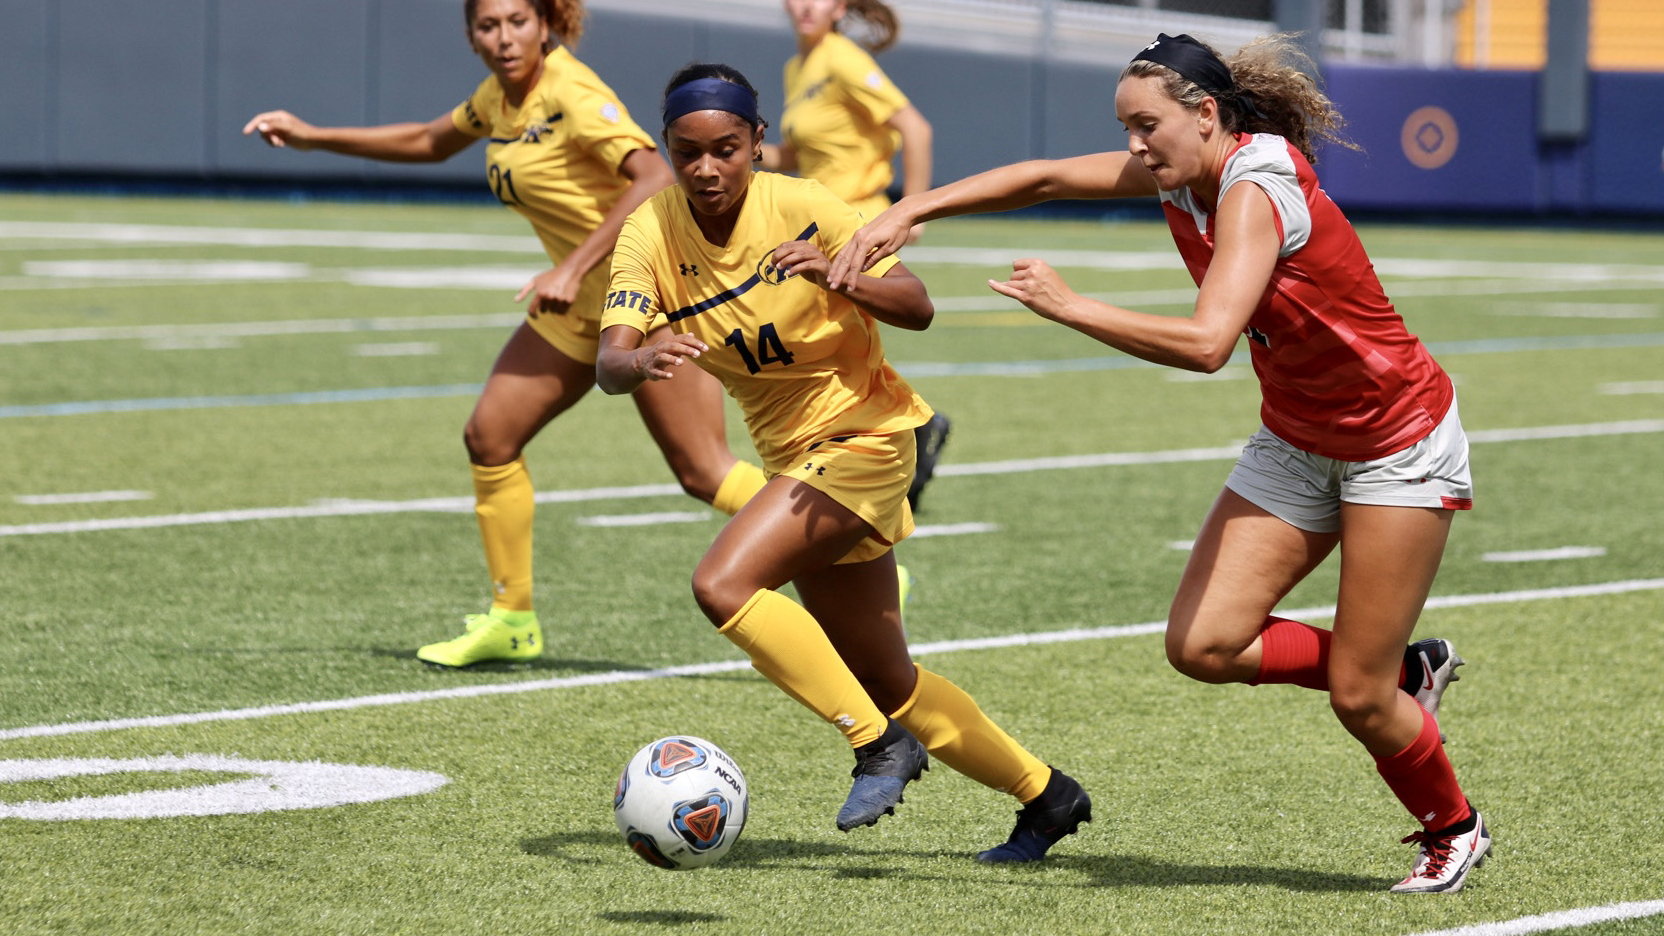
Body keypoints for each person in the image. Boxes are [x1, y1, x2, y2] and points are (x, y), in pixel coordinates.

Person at [831, 33, 1489, 893]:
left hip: (1395, 443)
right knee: (1204, 643)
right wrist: (907, 211)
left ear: (1206, 114)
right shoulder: (1184, 171)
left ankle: (1454, 826)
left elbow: (1210, 343)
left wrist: (1070, 306)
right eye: (1126, 128)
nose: (1134, 147)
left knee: (1358, 702)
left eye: (1147, 126)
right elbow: (1038, 177)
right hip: (1297, 437)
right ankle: (1407, 669)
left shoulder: (1254, 190)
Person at [596, 62, 1090, 861]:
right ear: (669, 150)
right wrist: (640, 358)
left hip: (867, 436)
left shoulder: (804, 206)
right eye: (687, 152)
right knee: (890, 677)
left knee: (721, 584)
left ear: (758, 143)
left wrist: (838, 274)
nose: (707, 168)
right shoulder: (651, 231)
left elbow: (919, 306)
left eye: (726, 148)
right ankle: (1048, 797)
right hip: (795, 459)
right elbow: (608, 363)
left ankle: (877, 746)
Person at [242, 0, 776, 668]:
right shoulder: (499, 97)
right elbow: (430, 142)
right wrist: (314, 136)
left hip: (650, 296)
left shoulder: (573, 92)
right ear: (471, 35)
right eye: (487, 25)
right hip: (578, 301)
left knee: (702, 471)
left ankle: (842, 549)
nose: (503, 37)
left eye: (516, 21)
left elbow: (653, 175)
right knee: (489, 437)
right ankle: (511, 619)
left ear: (546, 23)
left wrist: (574, 265)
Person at [757, 0, 951, 508]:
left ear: (840, 7)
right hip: (817, 225)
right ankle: (912, 429)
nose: (805, 6)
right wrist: (736, 152)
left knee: (810, 337)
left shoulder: (843, 57)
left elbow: (917, 128)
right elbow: (797, 157)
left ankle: (882, 442)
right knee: (825, 343)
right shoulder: (797, 67)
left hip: (859, 225)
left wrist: (914, 210)